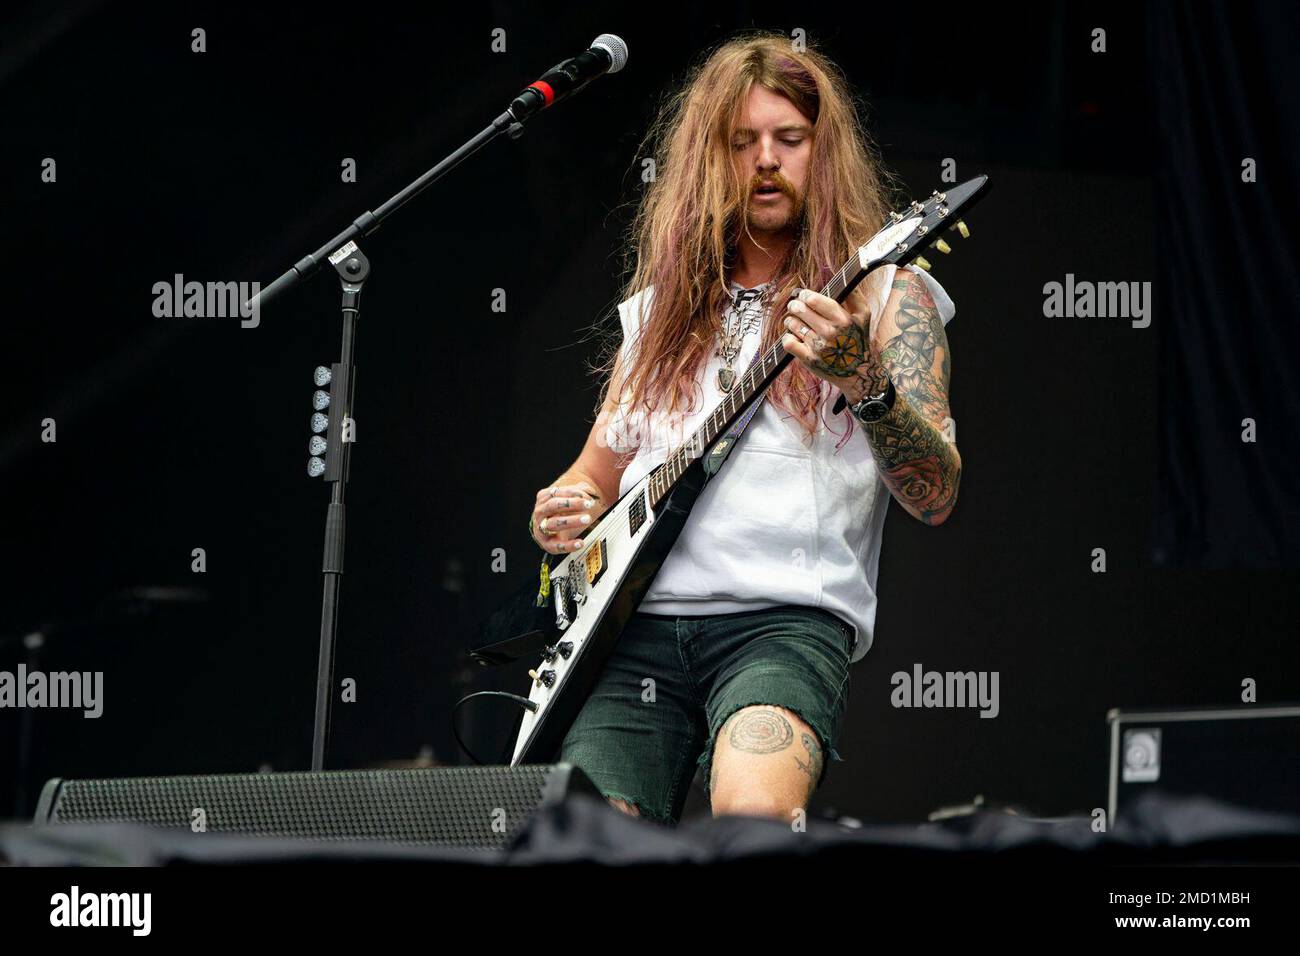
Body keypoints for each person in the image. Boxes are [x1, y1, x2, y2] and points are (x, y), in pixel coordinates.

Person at [527, 32, 961, 824]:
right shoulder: (660, 315)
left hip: (783, 623)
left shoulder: (892, 295)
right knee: (588, 845)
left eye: (790, 140)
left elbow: (936, 495)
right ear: (709, 160)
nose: (766, 159)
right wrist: (563, 503)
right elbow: (592, 474)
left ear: (821, 154)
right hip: (631, 632)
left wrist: (863, 378)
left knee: (753, 821)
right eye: (742, 142)